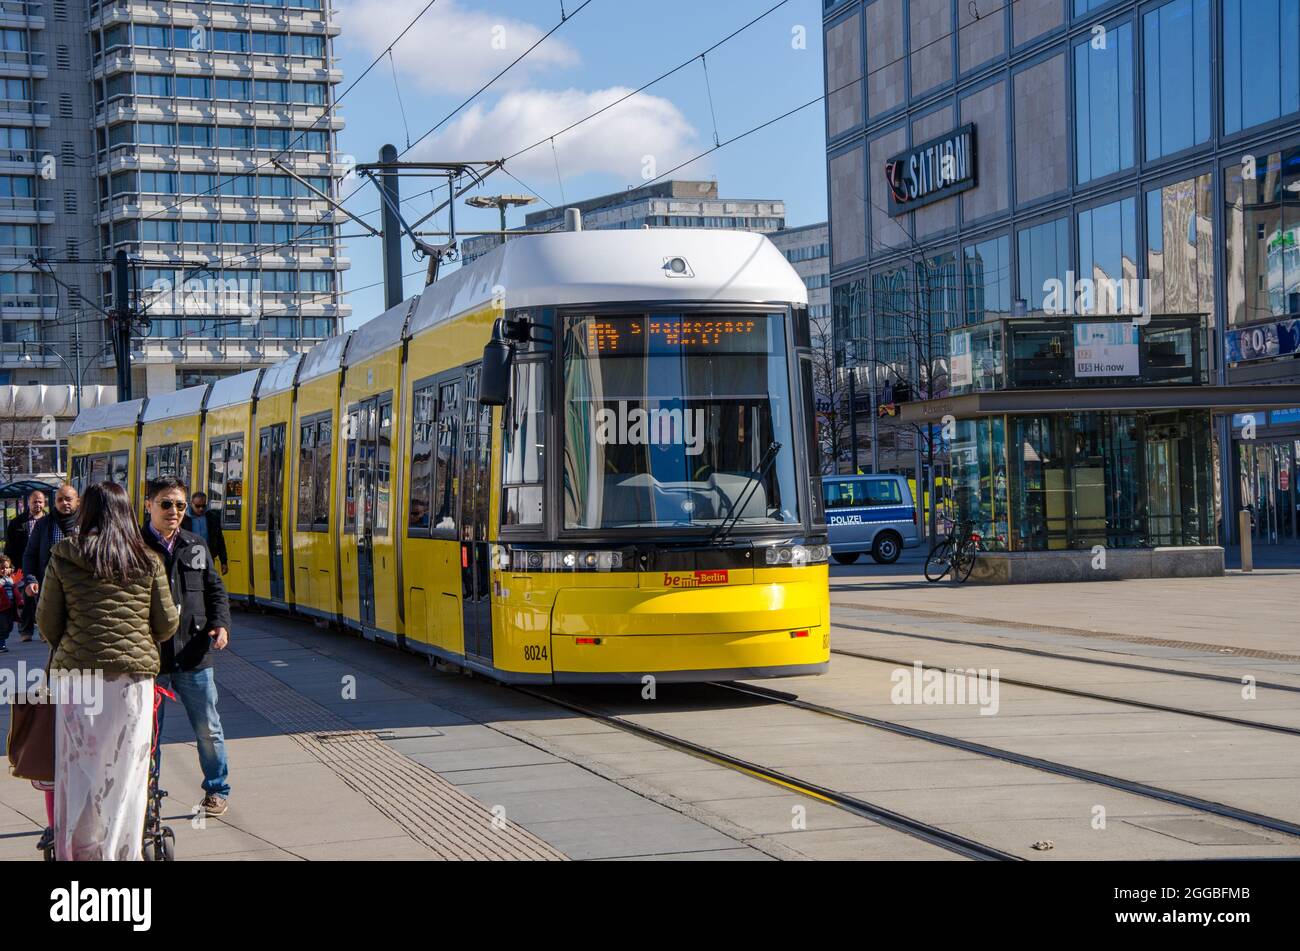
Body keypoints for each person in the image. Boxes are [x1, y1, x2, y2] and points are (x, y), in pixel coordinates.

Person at [36, 481, 179, 861]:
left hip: (78, 683)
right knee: (128, 775)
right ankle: (121, 854)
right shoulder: (148, 561)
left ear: (86, 513)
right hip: (132, 683)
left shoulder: (64, 555)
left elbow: (47, 623)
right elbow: (165, 625)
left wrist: (76, 641)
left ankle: (80, 855)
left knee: (79, 770)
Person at [143, 477, 233, 817]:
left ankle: (216, 791)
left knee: (209, 728)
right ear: (148, 503)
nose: (174, 511)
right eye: (166, 504)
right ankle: (148, 793)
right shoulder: (134, 545)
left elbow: (215, 590)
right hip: (150, 658)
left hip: (194, 653)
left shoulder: (195, 544)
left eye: (180, 505)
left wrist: (220, 623)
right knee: (148, 735)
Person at [23, 483, 80, 614]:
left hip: (79, 588)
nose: (64, 503)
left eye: (68, 499)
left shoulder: (86, 523)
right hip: (50, 587)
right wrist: (31, 580)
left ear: (78, 501)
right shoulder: (43, 524)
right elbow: (30, 554)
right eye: (60, 500)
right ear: (54, 502)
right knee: (50, 628)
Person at [5, 488, 46, 642]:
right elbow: (10, 547)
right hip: (23, 567)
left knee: (45, 599)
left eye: (40, 502)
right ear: (28, 503)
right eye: (34, 501)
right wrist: (12, 568)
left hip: (43, 565)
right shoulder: (17, 523)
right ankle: (26, 631)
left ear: (44, 503)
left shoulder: (48, 521)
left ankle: (44, 632)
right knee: (26, 600)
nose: (37, 505)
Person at [180, 491, 228, 575]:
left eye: (203, 506)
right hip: (189, 559)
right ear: (191, 504)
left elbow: (220, 540)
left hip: (208, 558)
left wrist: (223, 561)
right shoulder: (183, 519)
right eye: (197, 506)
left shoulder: (212, 518)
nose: (201, 509)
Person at [0, 554, 23, 654]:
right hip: (1, 608)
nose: (5, 570)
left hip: (10, 607)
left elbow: (16, 592)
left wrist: (20, 601)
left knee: (9, 626)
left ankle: (2, 641)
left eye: (7, 567)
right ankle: (1, 645)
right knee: (3, 626)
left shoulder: (10, 579)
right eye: (2, 568)